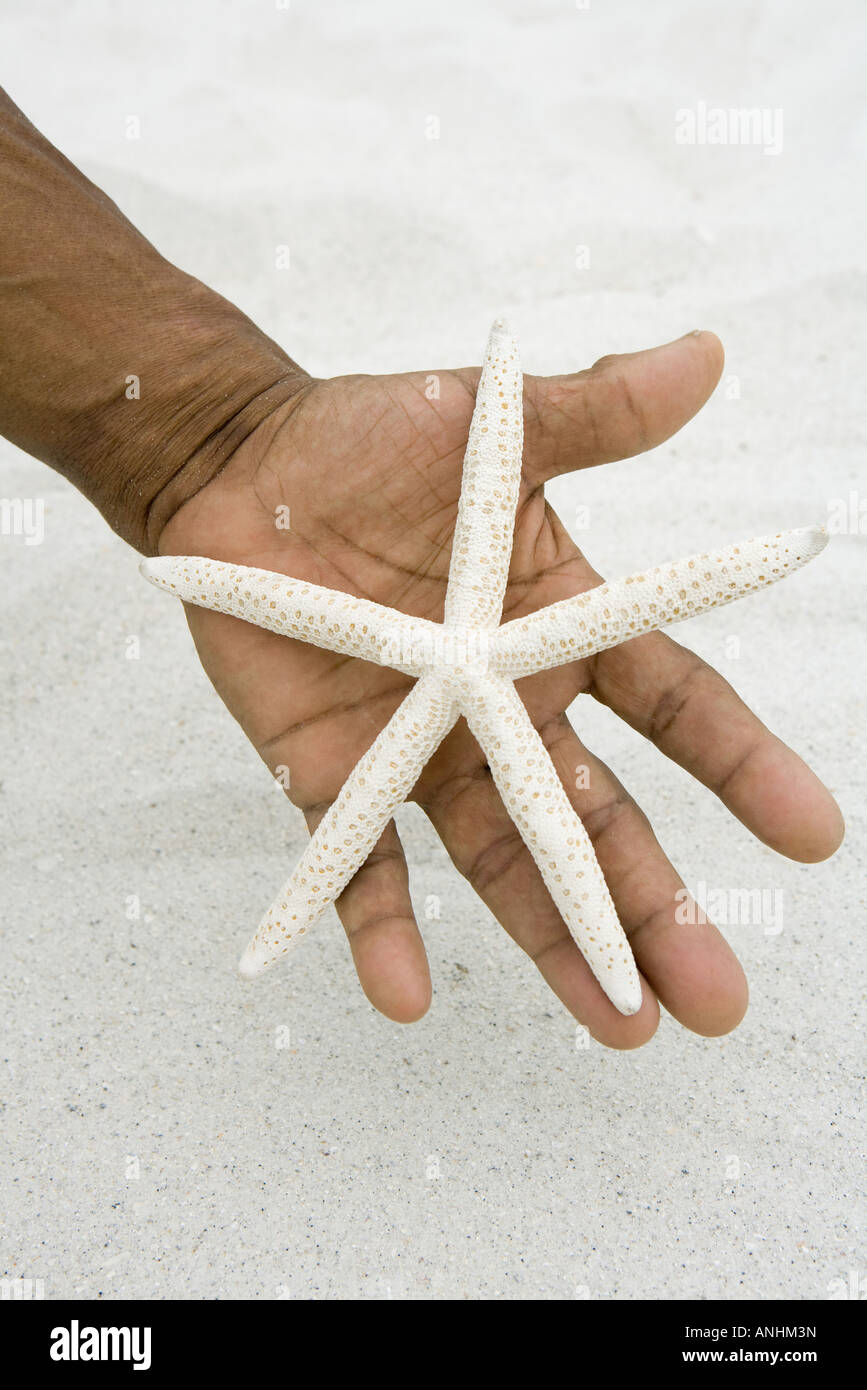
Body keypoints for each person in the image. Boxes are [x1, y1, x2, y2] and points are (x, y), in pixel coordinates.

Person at [0, 86, 844, 1049]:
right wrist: (192, 444)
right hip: (457, 665)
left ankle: (611, 970)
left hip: (453, 665)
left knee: (546, 842)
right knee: (543, 832)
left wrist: (198, 438)